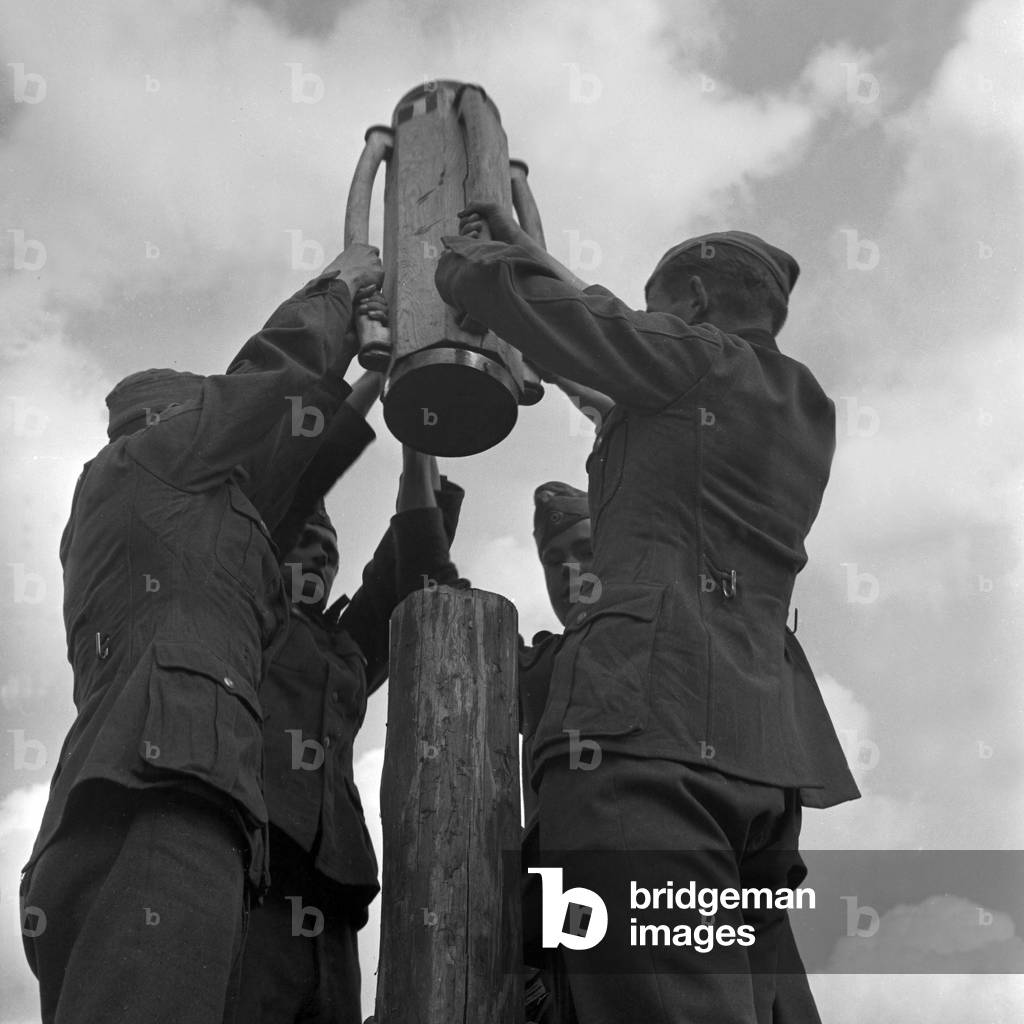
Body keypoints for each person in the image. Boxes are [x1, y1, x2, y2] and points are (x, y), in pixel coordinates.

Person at [436, 207, 859, 1023]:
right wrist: (538, 257)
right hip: (753, 761)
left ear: (695, 302)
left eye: (658, 305)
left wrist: (467, 260)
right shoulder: (790, 401)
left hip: (645, 740)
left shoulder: (696, 364)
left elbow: (583, 329)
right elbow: (606, 377)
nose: (649, 321)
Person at [19, 242, 383, 1024]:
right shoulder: (153, 459)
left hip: (167, 801)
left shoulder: (176, 515)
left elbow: (295, 467)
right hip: (160, 803)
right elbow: (272, 379)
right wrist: (339, 291)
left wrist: (382, 372)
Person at [235, 395, 466, 1023]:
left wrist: (420, 431)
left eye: (331, 545)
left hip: (332, 891)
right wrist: (366, 384)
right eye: (305, 539)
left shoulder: (344, 646)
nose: (321, 554)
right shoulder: (245, 618)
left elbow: (406, 574)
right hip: (248, 875)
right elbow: (281, 499)